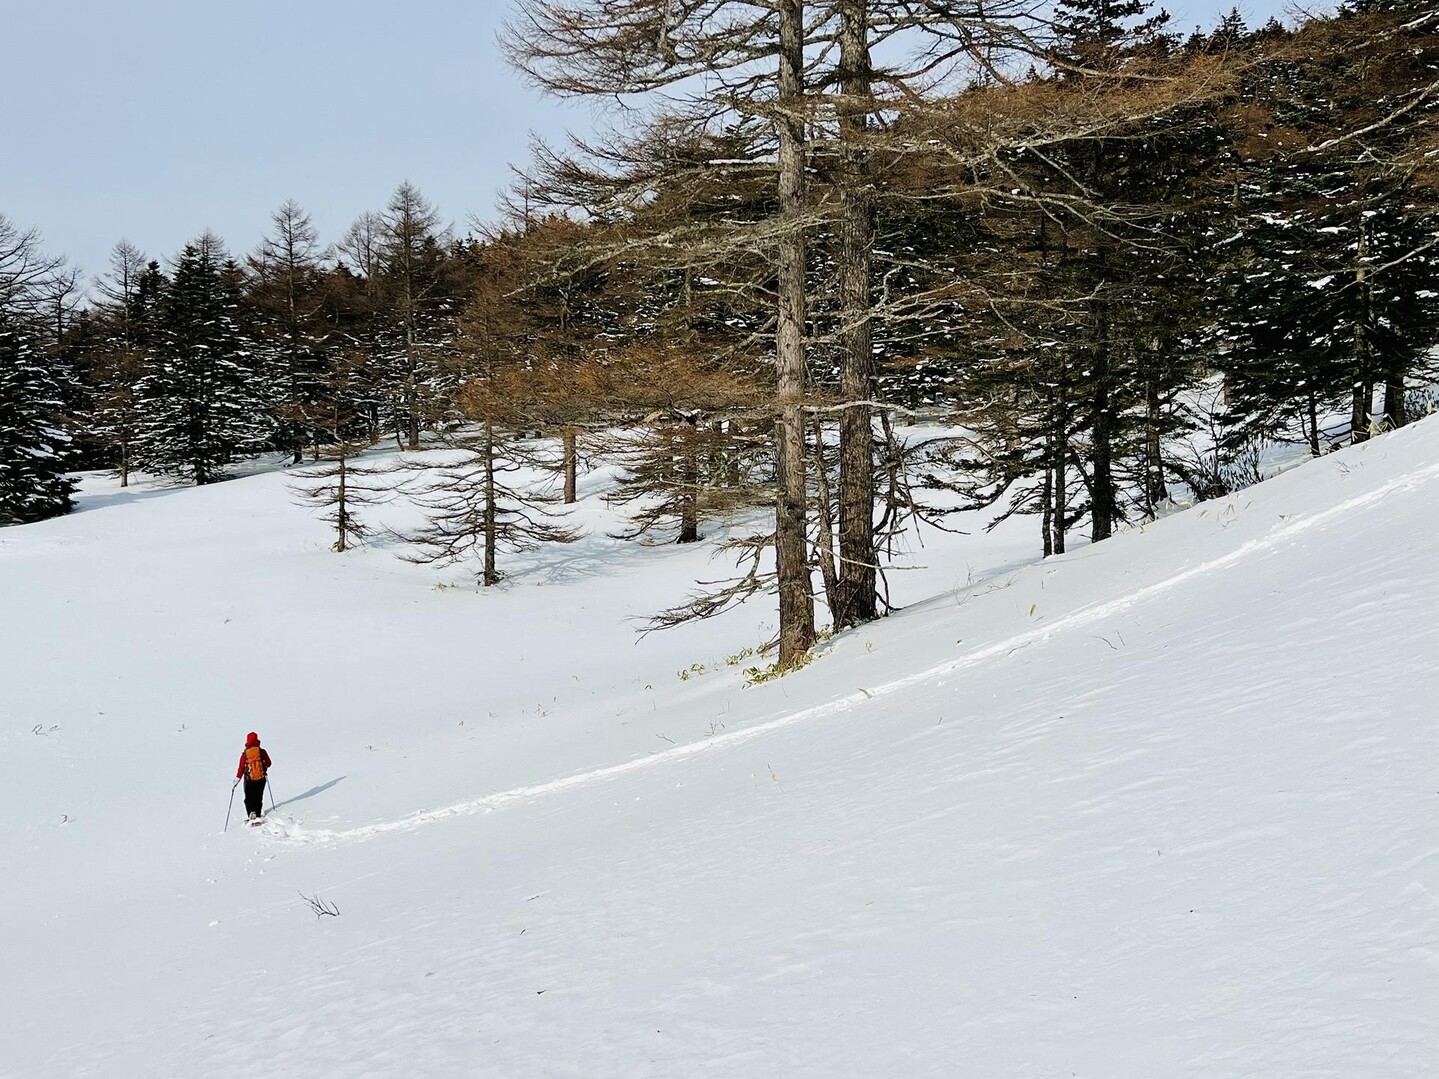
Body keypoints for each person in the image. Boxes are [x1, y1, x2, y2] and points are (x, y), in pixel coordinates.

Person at [235, 732, 272, 820]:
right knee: (258, 797)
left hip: (249, 780)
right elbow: (269, 763)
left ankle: (251, 814)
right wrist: (263, 767)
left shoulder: (245, 754)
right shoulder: (262, 751)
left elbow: (241, 767)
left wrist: (237, 778)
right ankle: (258, 814)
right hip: (261, 778)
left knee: (249, 798)